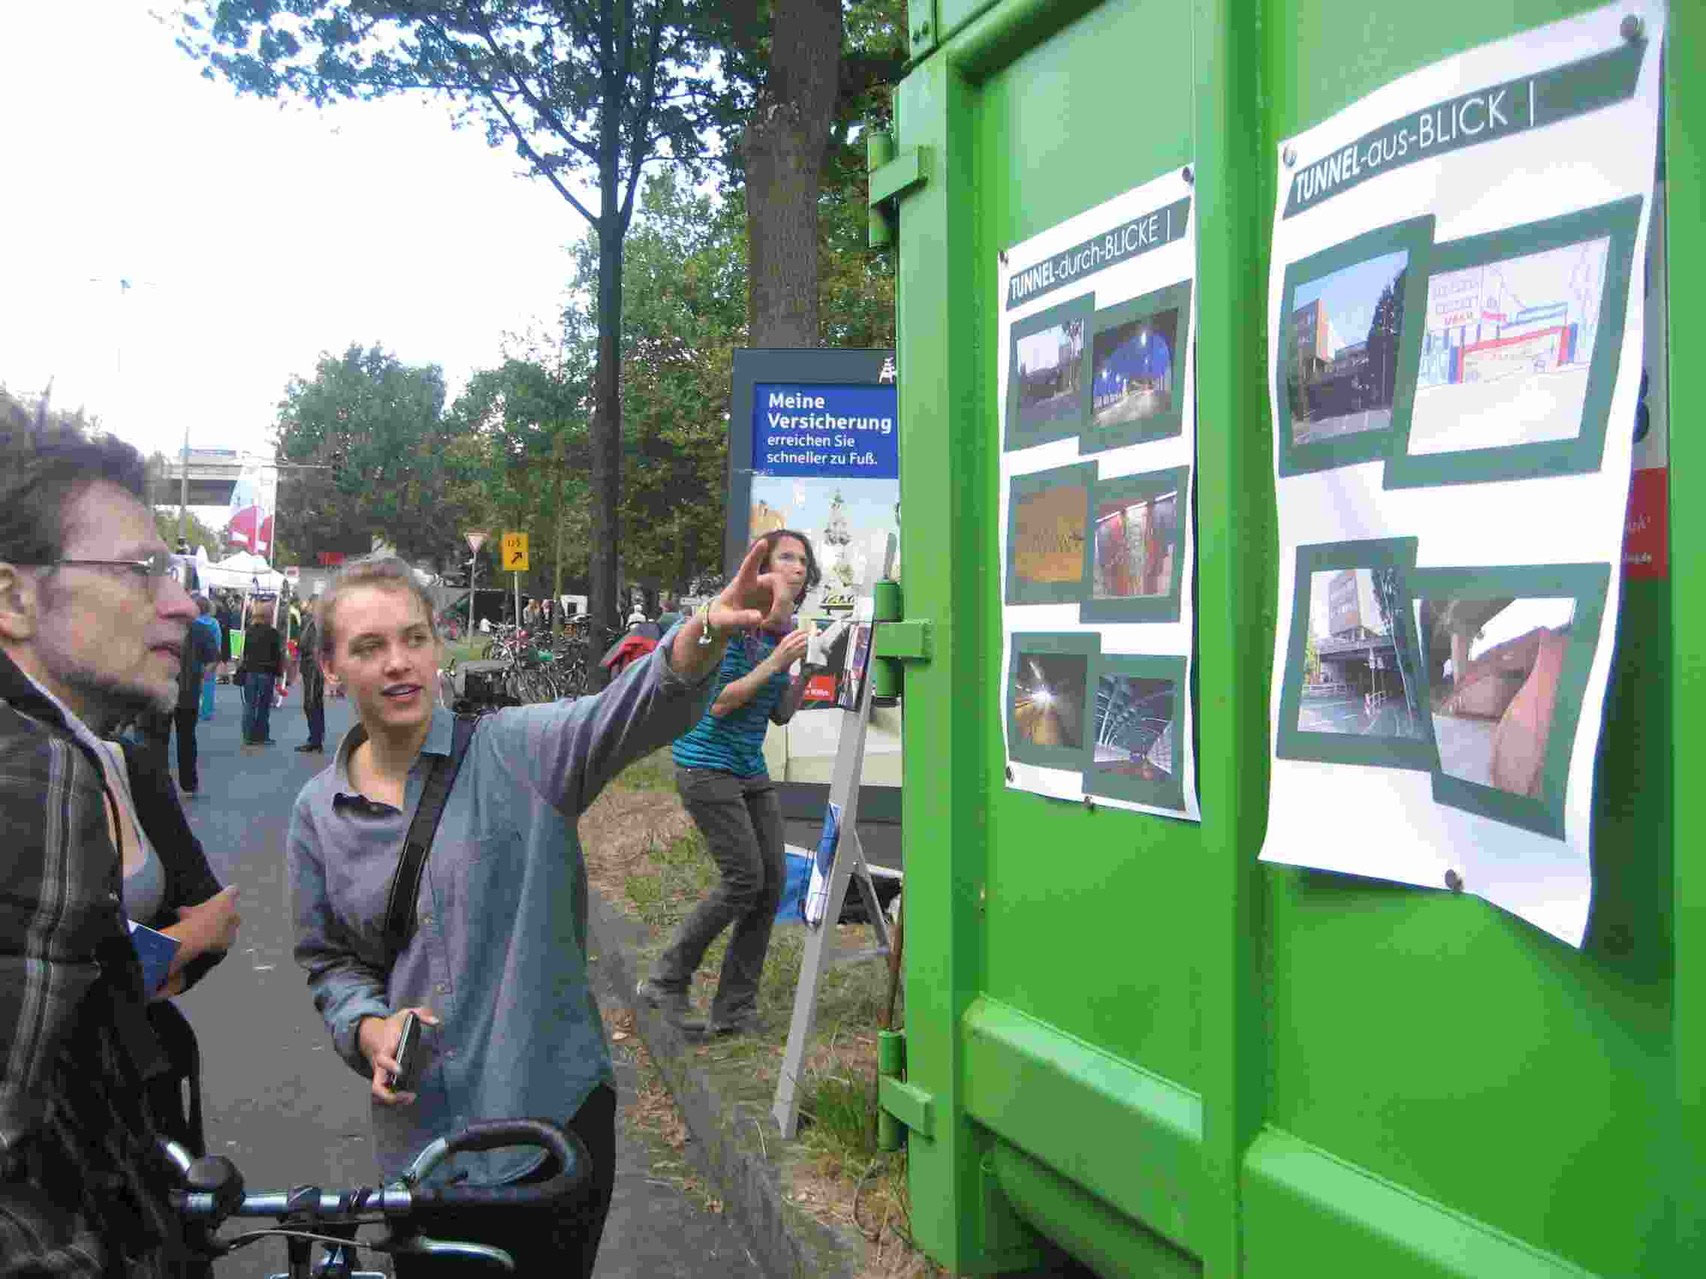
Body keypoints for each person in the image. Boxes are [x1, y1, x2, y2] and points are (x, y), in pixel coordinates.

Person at [287, 544, 791, 1278]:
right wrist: (367, 1026)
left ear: (437, 646)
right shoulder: (316, 815)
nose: (398, 662)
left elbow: (637, 707)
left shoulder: (518, 751)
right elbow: (328, 959)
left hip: (549, 1127)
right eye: (369, 647)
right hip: (424, 1149)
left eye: (414, 638)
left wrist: (707, 625)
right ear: (330, 668)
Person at [0, 417, 220, 1275]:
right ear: (15, 598)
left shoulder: (79, 750)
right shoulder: (31, 771)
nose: (184, 602)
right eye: (142, 572)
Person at [636, 531, 815, 1036]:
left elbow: (778, 713)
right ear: (761, 569)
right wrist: (776, 663)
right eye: (786, 557)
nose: (796, 568)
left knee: (771, 882)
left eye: (803, 561)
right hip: (705, 765)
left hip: (747, 767)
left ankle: (734, 1009)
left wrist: (803, 672)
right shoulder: (737, 627)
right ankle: (665, 982)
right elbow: (719, 701)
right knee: (743, 880)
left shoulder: (785, 631)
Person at [140, 592, 221, 793]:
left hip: (162, 689)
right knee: (186, 738)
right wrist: (202, 673)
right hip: (188, 691)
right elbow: (213, 659)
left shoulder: (158, 628)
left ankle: (160, 781)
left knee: (158, 739)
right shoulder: (201, 630)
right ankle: (189, 782)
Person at [236, 598, 283, 745]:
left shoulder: (249, 632)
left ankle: (248, 735)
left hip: (251, 671)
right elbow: (277, 655)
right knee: (263, 705)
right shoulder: (273, 633)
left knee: (250, 704)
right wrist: (279, 674)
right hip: (266, 672)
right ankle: (261, 735)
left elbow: (244, 653)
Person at [295, 596, 326, 753]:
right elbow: (303, 642)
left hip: (314, 665)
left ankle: (315, 739)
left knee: (311, 702)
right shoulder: (309, 621)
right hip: (309, 664)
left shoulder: (319, 623)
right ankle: (315, 737)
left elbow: (314, 645)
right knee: (312, 702)